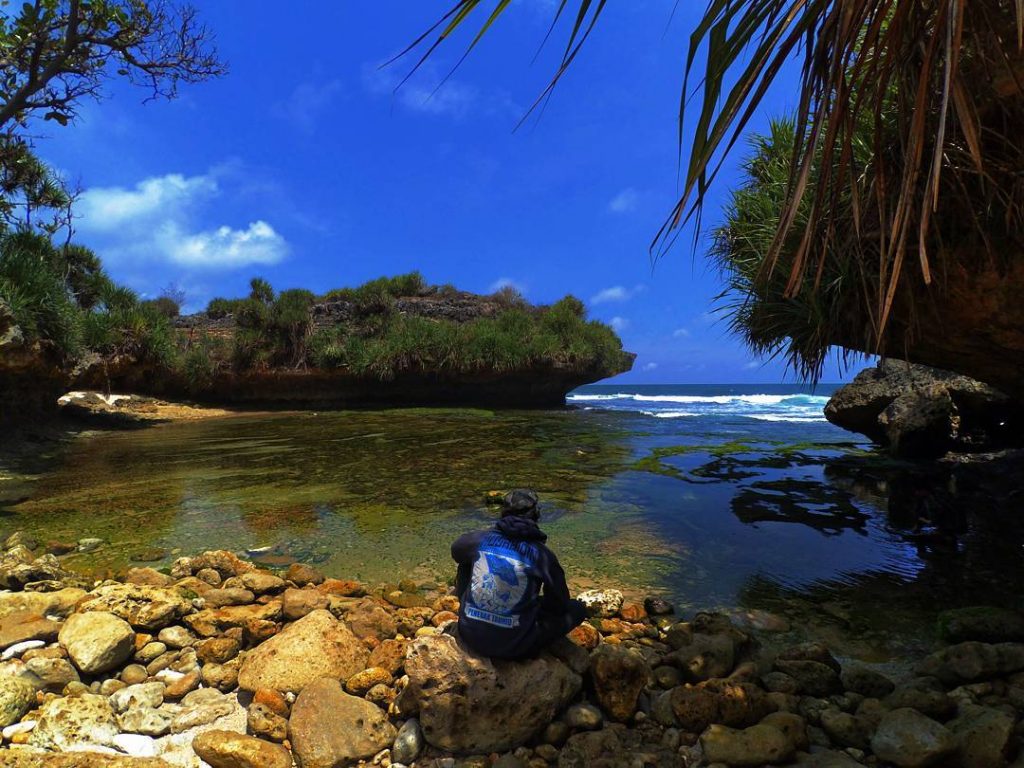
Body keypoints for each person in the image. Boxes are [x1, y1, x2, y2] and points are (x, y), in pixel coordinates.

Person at [450, 489, 587, 659]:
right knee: (577, 609)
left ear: (503, 513)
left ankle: (474, 613)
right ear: (536, 515)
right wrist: (535, 606)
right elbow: (559, 604)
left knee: (466, 562)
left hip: (469, 635)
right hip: (515, 647)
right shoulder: (543, 556)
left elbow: (456, 551)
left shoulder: (480, 540)